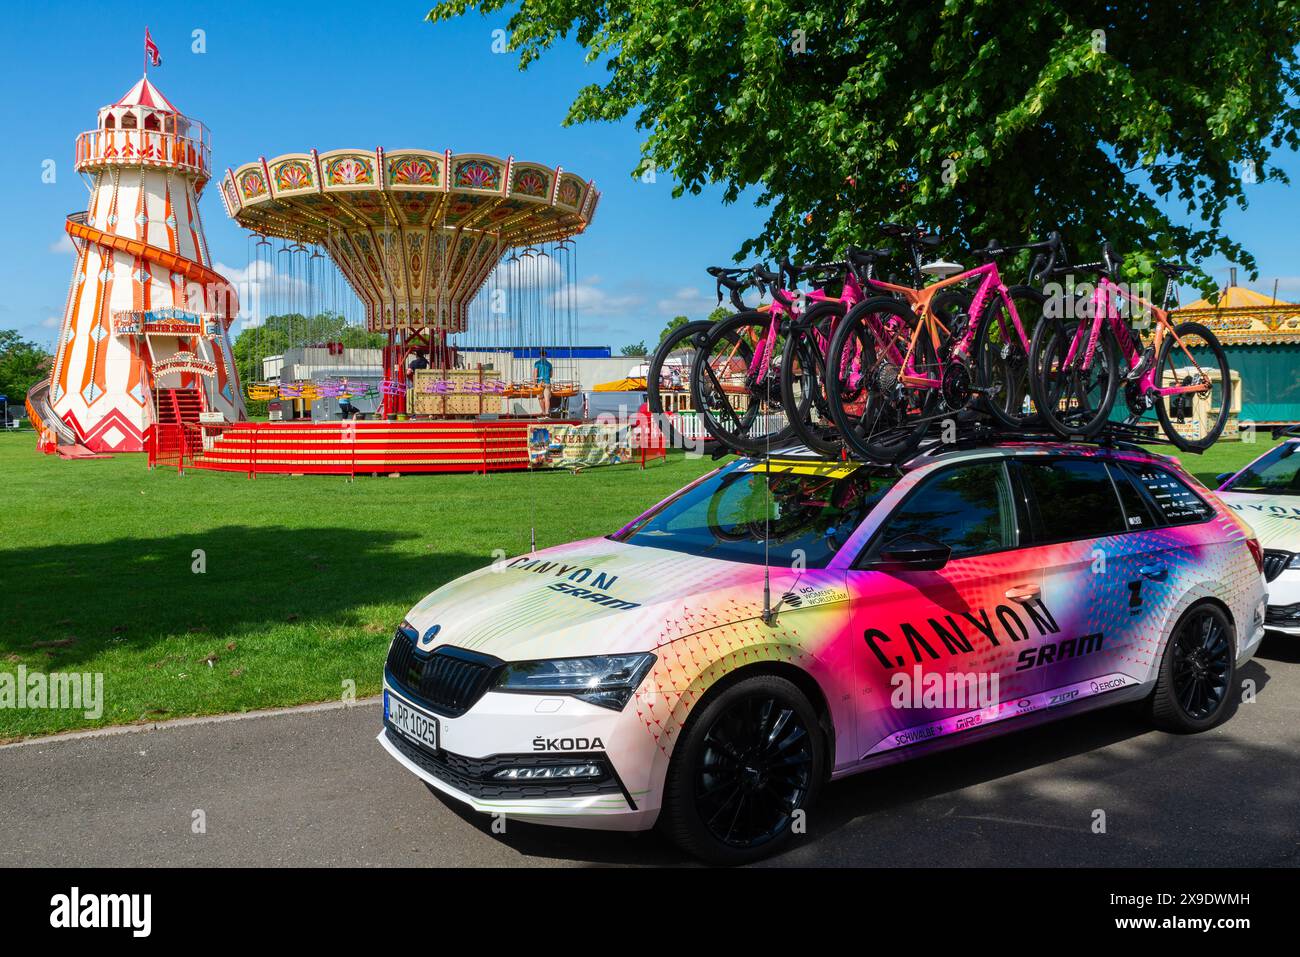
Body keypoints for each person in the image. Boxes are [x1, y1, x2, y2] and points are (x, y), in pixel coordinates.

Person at [534, 349, 554, 416]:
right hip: (547, 382)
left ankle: (543, 412)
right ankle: (547, 413)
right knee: (547, 398)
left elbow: (535, 374)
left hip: (540, 383)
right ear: (546, 356)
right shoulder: (549, 364)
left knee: (540, 398)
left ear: (540, 356)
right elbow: (551, 375)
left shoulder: (537, 363)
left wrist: (535, 384)